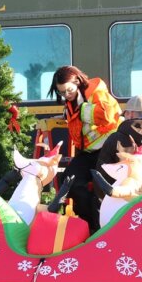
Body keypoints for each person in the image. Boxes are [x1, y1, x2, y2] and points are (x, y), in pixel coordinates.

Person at [49, 65, 122, 229]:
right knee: (69, 181)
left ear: (77, 81)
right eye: (61, 92)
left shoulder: (96, 93)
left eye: (69, 90)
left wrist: (82, 110)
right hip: (87, 152)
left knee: (100, 191)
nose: (66, 95)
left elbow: (108, 115)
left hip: (107, 150)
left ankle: (100, 230)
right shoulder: (71, 103)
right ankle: (88, 227)